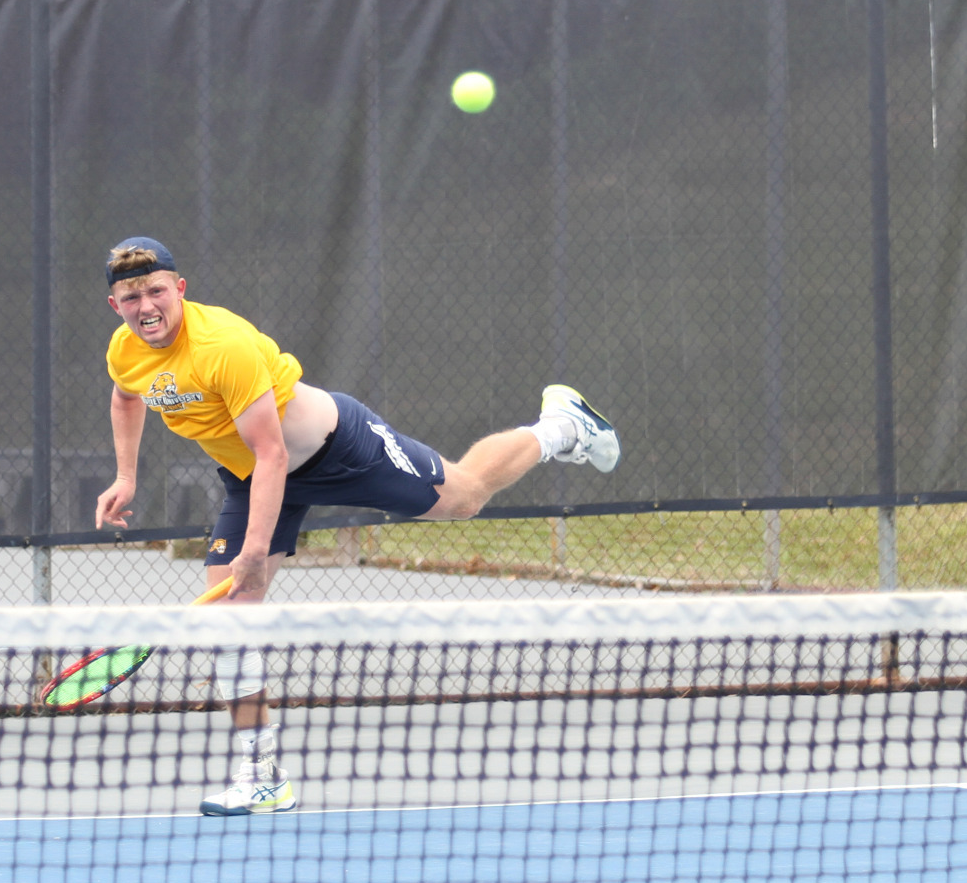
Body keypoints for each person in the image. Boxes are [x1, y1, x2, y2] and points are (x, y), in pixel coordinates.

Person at [93, 236, 620, 817]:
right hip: (252, 476)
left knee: (466, 496)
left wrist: (256, 551)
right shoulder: (125, 349)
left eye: (156, 291)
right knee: (230, 617)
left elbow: (272, 453)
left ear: (180, 290)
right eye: (131, 296)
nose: (146, 306)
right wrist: (126, 477)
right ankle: (261, 773)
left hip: (337, 449)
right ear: (115, 304)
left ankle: (560, 429)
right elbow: (126, 399)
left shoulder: (224, 346)